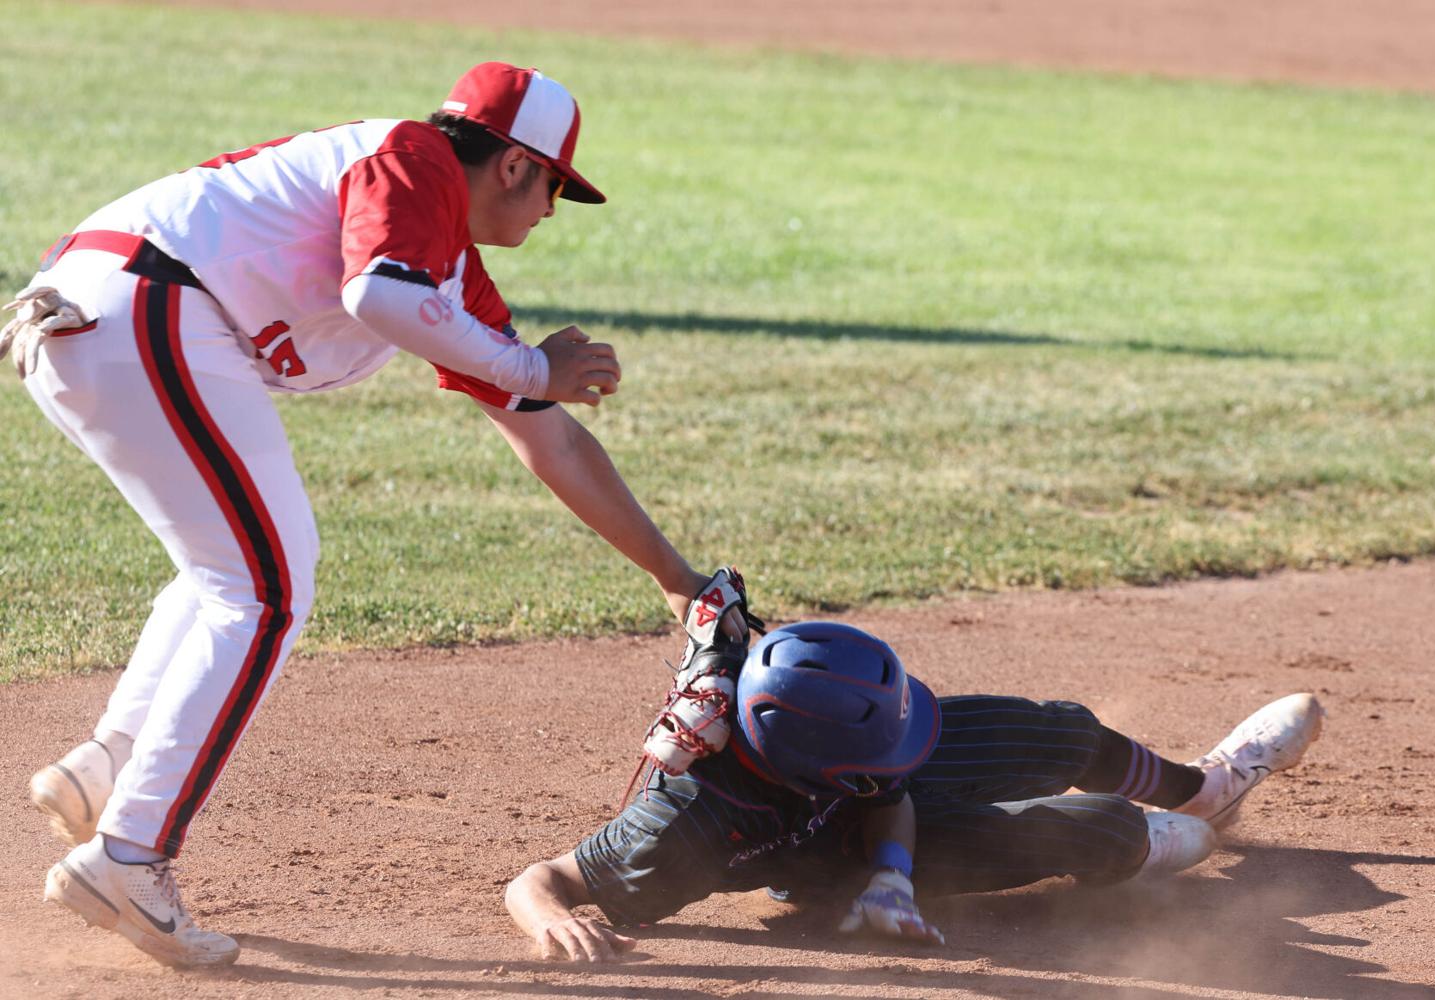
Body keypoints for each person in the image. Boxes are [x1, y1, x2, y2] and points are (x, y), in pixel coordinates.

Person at [9, 61, 744, 968]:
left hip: (112, 313)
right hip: (141, 308)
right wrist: (532, 368)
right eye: (556, 185)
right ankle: (130, 857)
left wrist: (674, 578)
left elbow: (549, 440)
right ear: (513, 163)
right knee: (266, 591)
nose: (553, 211)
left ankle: (110, 767)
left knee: (230, 575)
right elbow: (380, 297)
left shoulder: (449, 265)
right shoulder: (419, 157)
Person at [505, 621, 1325, 961]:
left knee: (1065, 734)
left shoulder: (803, 696)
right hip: (823, 855)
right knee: (1107, 830)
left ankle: (1205, 788)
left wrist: (897, 869)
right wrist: (554, 922)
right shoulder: (680, 828)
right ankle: (1168, 837)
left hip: (853, 798)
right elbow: (539, 881)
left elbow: (884, 777)